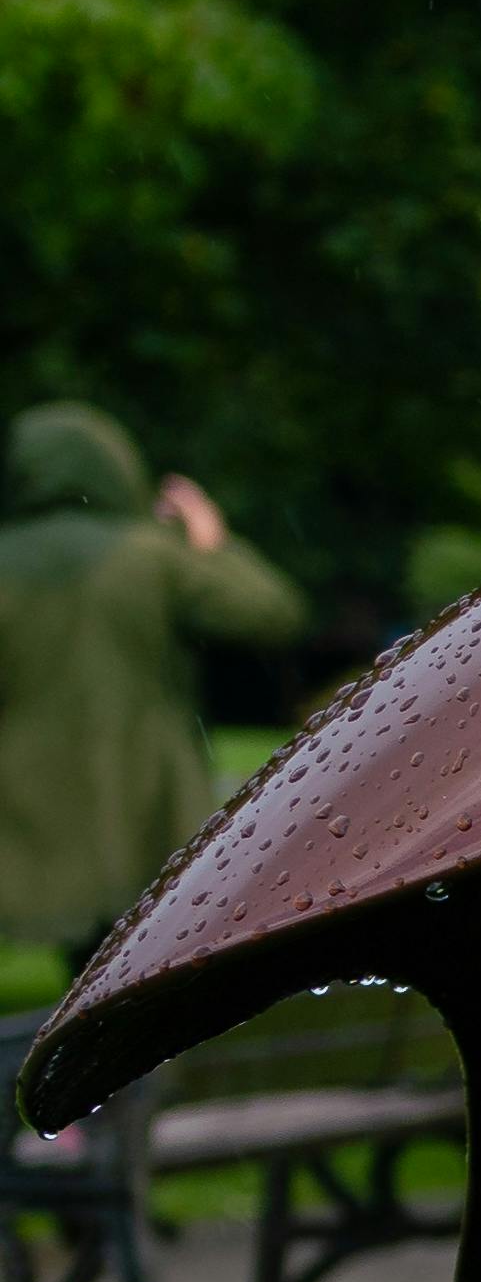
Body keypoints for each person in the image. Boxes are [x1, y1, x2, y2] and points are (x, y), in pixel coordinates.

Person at [0, 404, 303, 967]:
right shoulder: (150, 555)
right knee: (148, 949)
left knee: (83, 954)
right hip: (145, 784)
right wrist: (212, 544)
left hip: (32, 796)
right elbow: (268, 612)